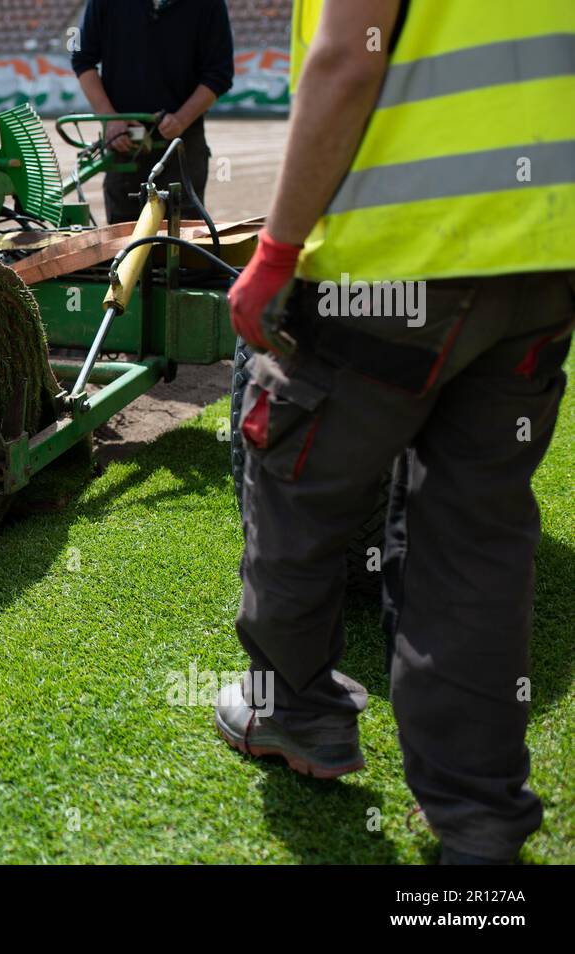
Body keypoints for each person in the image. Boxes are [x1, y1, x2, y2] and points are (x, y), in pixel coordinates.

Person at [220, 0, 574, 864]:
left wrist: (275, 253)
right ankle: (480, 818)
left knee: (296, 481)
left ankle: (294, 709)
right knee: (478, 533)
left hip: (396, 263)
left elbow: (346, 58)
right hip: (540, 261)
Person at [71, 0, 234, 223]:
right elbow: (82, 59)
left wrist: (181, 119)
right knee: (124, 241)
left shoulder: (209, 5)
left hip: (183, 146)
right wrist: (111, 119)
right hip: (124, 144)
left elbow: (219, 74)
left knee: (184, 238)